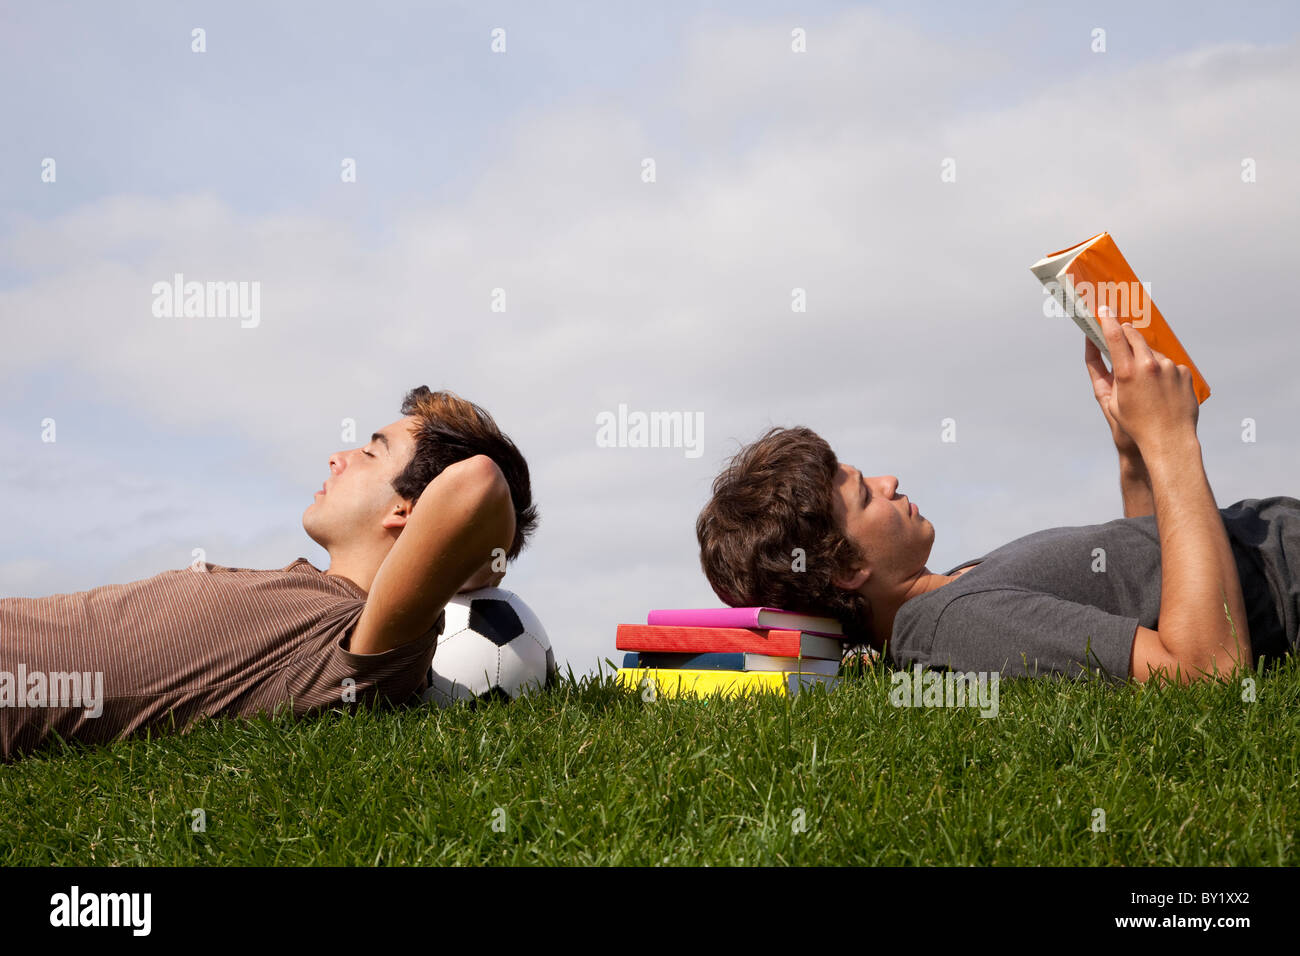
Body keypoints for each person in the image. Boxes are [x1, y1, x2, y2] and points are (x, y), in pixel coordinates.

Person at [697, 311, 1297, 684]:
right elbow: (1204, 673)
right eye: (863, 494)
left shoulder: (951, 591)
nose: (889, 482)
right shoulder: (950, 625)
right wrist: (1171, 441)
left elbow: (1152, 578)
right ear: (849, 567)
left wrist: (1133, 452)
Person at [0, 387, 537, 760]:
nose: (338, 457)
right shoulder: (308, 594)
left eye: (373, 452)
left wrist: (465, 567)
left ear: (406, 511)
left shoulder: (356, 645)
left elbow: (478, 485)